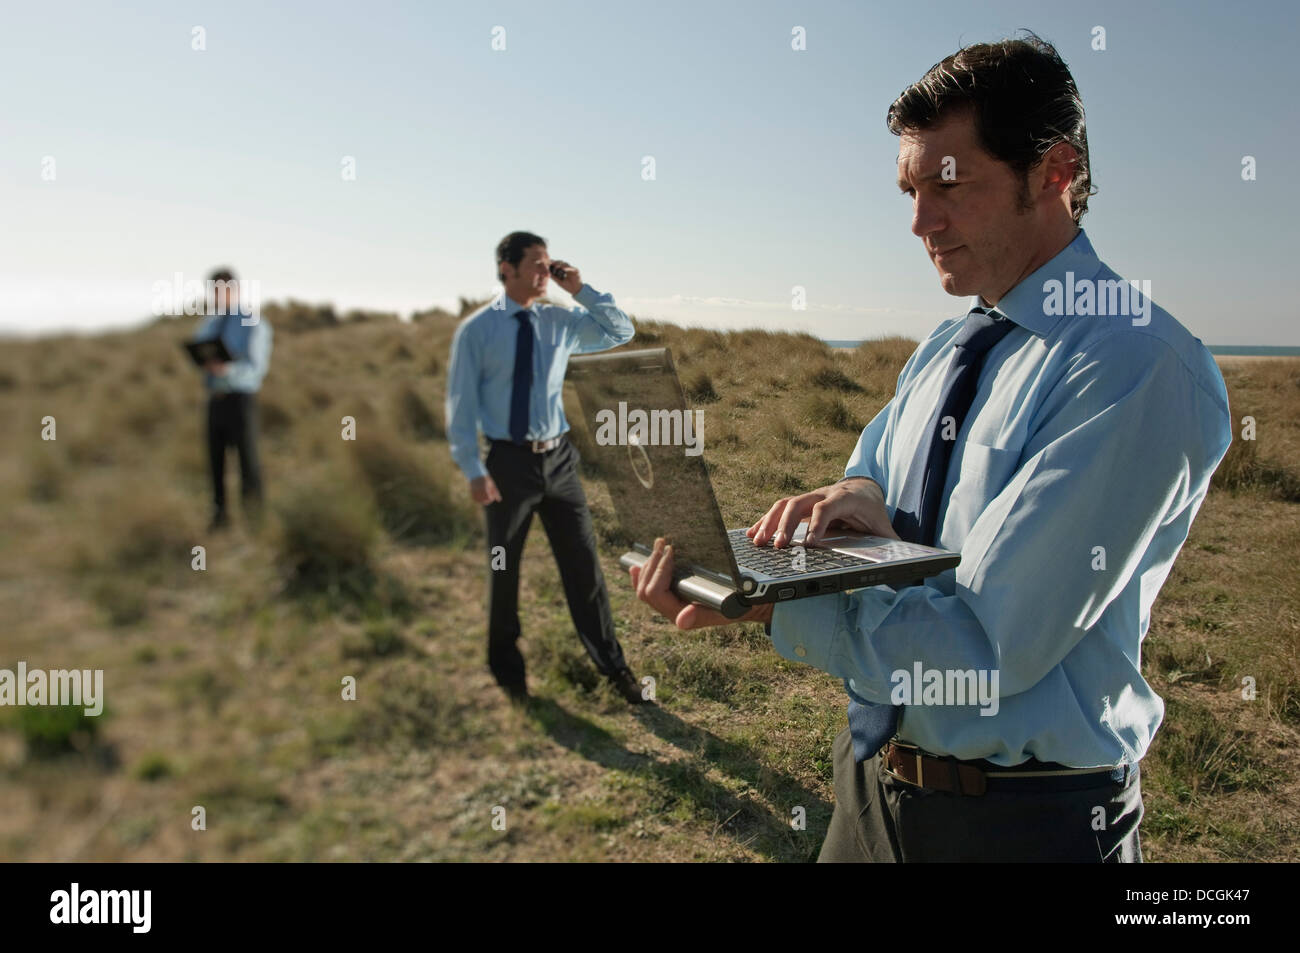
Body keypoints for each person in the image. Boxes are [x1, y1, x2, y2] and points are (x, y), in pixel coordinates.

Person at [632, 34, 1232, 862]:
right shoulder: (948, 348)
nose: (920, 222)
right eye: (911, 190)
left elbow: (987, 649)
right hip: (869, 782)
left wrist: (772, 601)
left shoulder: (1137, 365)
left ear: (1055, 173)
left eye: (949, 185)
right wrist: (857, 498)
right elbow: (873, 470)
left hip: (1024, 823)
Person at [445, 232, 646, 705]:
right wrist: (473, 469)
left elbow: (621, 332)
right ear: (506, 269)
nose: (545, 273)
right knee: (504, 567)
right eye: (536, 265)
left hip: (558, 462)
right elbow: (460, 407)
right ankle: (508, 673)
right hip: (507, 464)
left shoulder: (562, 319)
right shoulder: (477, 331)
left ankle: (614, 668)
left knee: (584, 568)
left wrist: (581, 289)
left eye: (549, 264)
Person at [193, 267, 273, 531]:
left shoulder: (253, 323)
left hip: (241, 398)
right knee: (215, 460)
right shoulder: (210, 323)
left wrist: (228, 369)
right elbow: (200, 350)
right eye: (214, 291)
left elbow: (257, 367)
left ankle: (255, 521)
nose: (219, 295)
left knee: (247, 461)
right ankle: (220, 518)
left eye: (224, 290)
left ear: (235, 290)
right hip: (215, 398)